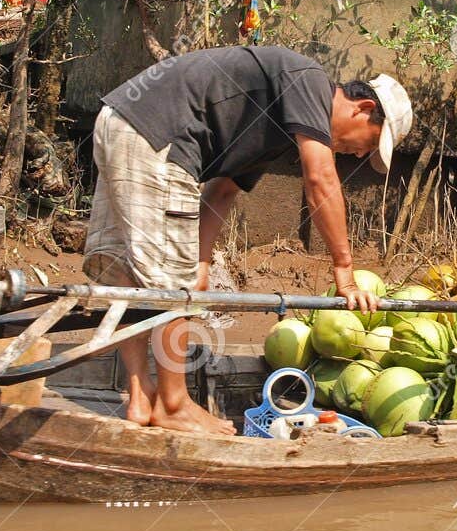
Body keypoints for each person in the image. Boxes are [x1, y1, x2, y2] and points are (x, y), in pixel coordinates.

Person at [85, 45, 413, 435]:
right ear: (361, 109)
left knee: (129, 273)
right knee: (169, 287)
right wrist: (344, 270)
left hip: (122, 121)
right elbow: (320, 179)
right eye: (369, 142)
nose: (358, 152)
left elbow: (222, 192)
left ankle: (140, 396)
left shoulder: (274, 125)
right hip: (157, 135)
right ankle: (174, 405)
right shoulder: (308, 80)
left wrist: (201, 265)